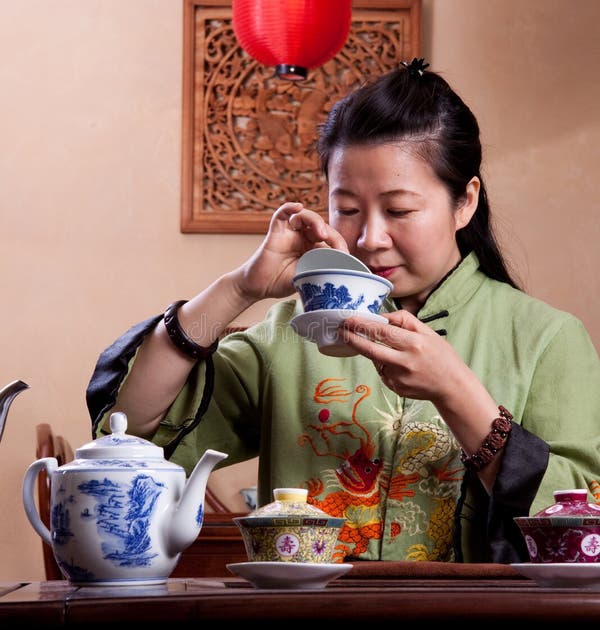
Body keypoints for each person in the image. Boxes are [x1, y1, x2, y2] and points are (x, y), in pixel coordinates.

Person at [86, 58, 600, 564]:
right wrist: (240, 288)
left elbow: (584, 526)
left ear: (464, 202)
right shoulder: (292, 332)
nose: (371, 238)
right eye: (348, 210)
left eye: (399, 210)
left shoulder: (546, 337)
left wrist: (457, 393)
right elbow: (134, 428)